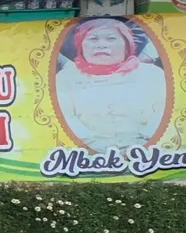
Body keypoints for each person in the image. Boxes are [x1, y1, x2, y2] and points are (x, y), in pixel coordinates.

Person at [55, 18, 168, 150]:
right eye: (93, 39)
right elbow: (66, 117)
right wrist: (94, 147)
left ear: (127, 45)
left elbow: (163, 112)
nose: (101, 45)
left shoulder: (152, 74)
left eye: (111, 39)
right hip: (87, 155)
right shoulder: (65, 78)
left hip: (148, 152)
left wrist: (143, 143)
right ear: (81, 45)